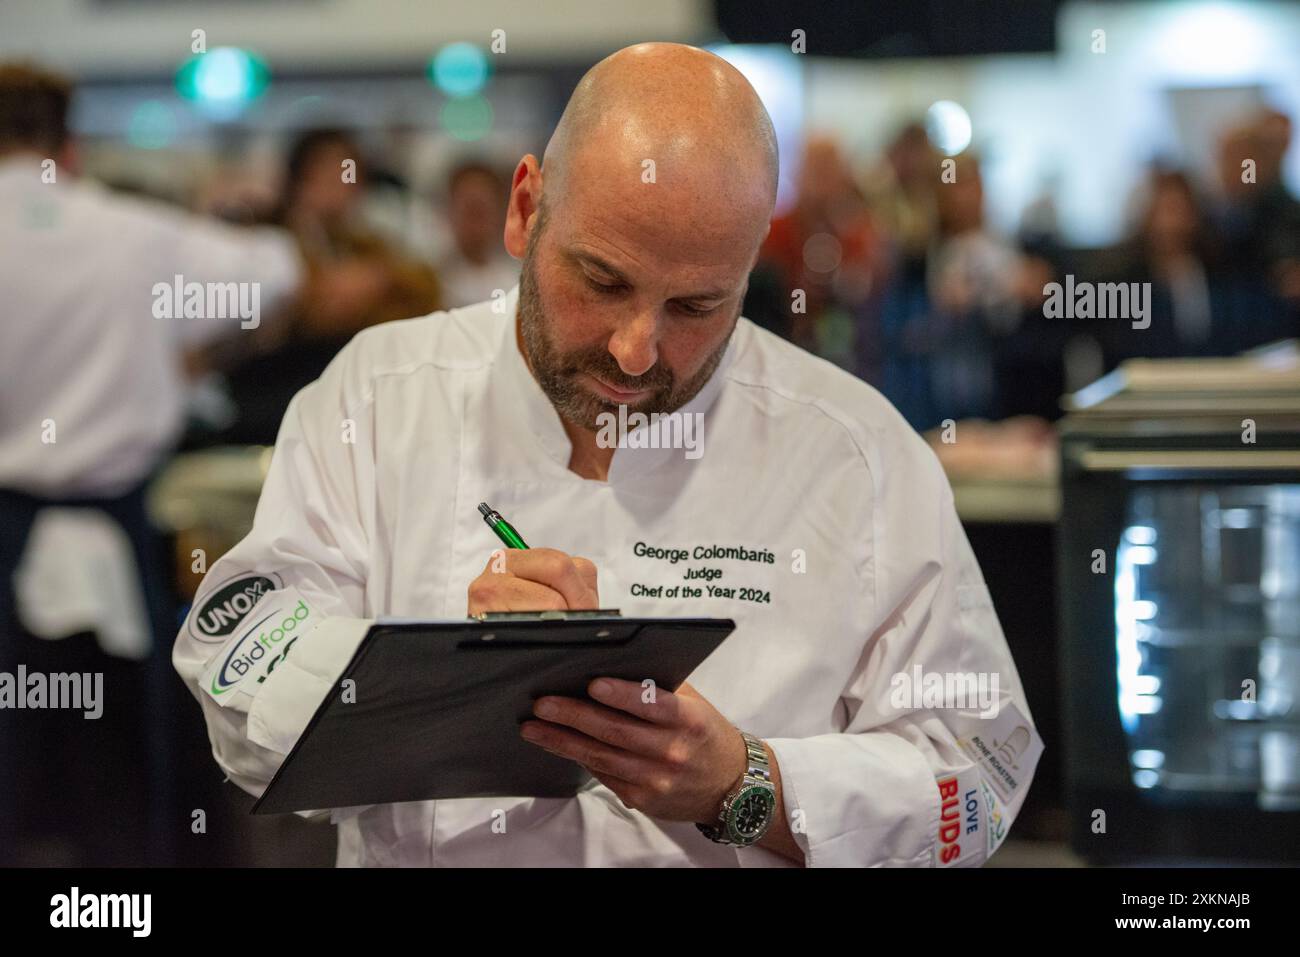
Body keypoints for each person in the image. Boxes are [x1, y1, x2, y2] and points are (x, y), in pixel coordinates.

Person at [174, 43, 1041, 867]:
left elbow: (983, 781)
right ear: (525, 209)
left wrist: (748, 782)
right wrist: (438, 673)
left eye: (697, 306)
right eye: (602, 282)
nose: (636, 350)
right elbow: (239, 667)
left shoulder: (856, 451)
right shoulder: (380, 393)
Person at [0, 61, 301, 863]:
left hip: (13, 531)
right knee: (126, 789)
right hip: (118, 528)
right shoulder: (133, 235)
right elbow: (278, 272)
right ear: (70, 144)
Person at [437, 159, 520, 308]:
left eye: (482, 211)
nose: (476, 223)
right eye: (469, 211)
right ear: (449, 211)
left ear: (500, 213)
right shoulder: (433, 280)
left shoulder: (516, 282)